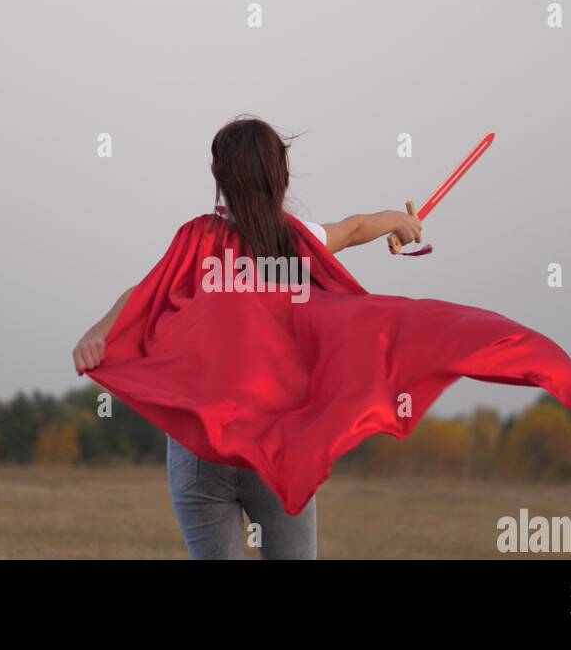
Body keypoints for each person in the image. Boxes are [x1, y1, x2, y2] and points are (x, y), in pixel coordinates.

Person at [72, 115, 423, 559]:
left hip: (201, 446)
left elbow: (145, 293)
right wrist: (397, 220)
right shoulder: (297, 243)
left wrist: (97, 332)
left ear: (219, 177)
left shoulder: (198, 241)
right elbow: (353, 229)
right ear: (282, 175)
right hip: (280, 446)